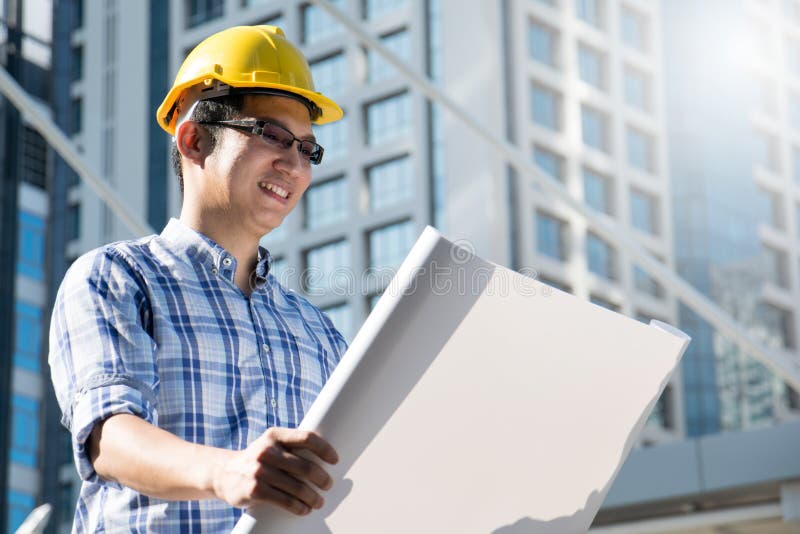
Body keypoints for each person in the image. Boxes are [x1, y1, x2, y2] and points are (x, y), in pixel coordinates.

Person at [48, 25, 347, 532]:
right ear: (193, 139)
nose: (294, 164)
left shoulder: (321, 335)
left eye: (308, 150)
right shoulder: (117, 279)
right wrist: (225, 471)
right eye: (273, 135)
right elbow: (108, 438)